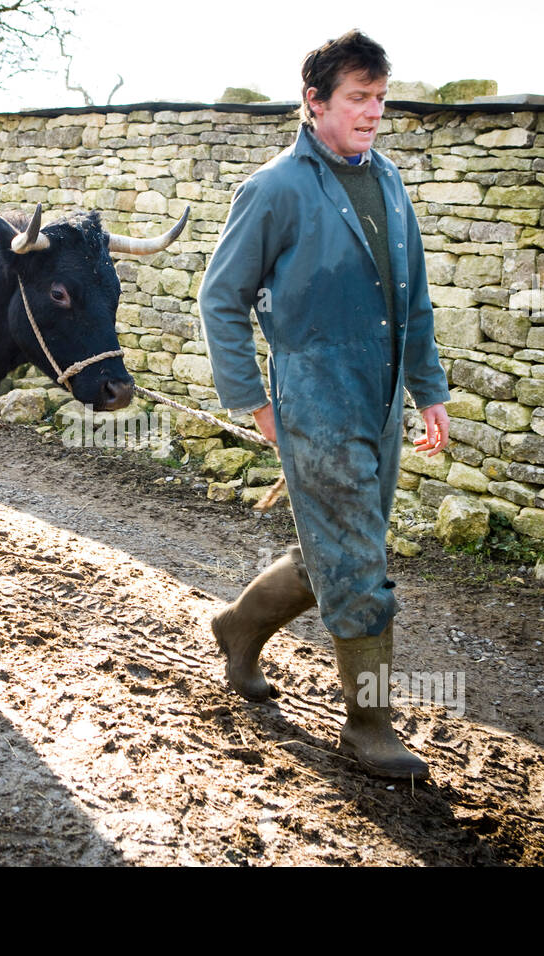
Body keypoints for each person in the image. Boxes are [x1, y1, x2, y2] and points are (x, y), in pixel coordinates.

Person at [198, 29, 451, 780]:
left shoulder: (391, 180)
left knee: (336, 552)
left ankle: (237, 628)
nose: (373, 112)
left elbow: (416, 300)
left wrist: (428, 389)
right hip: (314, 402)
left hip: (379, 405)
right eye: (357, 98)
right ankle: (369, 725)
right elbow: (221, 300)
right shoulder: (274, 188)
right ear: (314, 103)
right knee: (361, 565)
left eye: (380, 98)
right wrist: (254, 401)